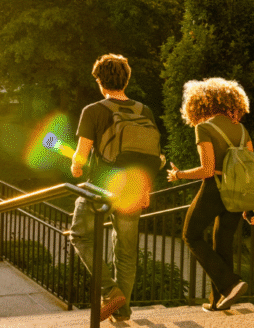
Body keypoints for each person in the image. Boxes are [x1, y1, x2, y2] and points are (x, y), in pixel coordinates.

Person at [69, 54, 160, 322]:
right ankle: (122, 312)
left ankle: (110, 292)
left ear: (100, 81)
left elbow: (81, 157)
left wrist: (76, 168)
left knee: (79, 235)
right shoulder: (145, 111)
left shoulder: (93, 110)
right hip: (134, 187)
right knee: (126, 252)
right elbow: (149, 154)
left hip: (102, 188)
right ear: (126, 79)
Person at [166, 77, 254, 312]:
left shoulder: (204, 127)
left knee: (191, 235)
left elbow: (207, 170)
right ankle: (219, 300)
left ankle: (230, 283)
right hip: (238, 192)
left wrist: (179, 175)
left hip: (215, 189)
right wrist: (252, 205)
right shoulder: (241, 128)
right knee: (223, 243)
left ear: (200, 104)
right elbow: (250, 167)